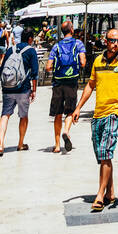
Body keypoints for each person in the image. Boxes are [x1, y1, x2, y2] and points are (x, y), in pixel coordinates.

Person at [72, 28, 118, 211]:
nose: (115, 43)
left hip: (114, 112)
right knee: (103, 156)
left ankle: (100, 195)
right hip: (98, 114)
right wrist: (78, 108)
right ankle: (110, 192)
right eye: (111, 40)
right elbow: (90, 86)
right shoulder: (98, 61)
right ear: (105, 41)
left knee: (106, 152)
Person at [0, 26, 38, 157]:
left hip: (8, 88)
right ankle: (20, 144)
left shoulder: (10, 49)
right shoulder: (31, 51)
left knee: (5, 115)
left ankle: (1, 145)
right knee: (23, 116)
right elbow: (35, 73)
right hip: (23, 89)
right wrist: (34, 90)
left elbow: (2, 68)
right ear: (30, 39)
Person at [46, 20, 86, 153]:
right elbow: (83, 62)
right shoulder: (78, 43)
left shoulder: (56, 46)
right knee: (70, 110)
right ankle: (66, 131)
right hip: (71, 82)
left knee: (57, 113)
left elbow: (48, 67)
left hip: (58, 82)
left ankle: (57, 146)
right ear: (72, 30)